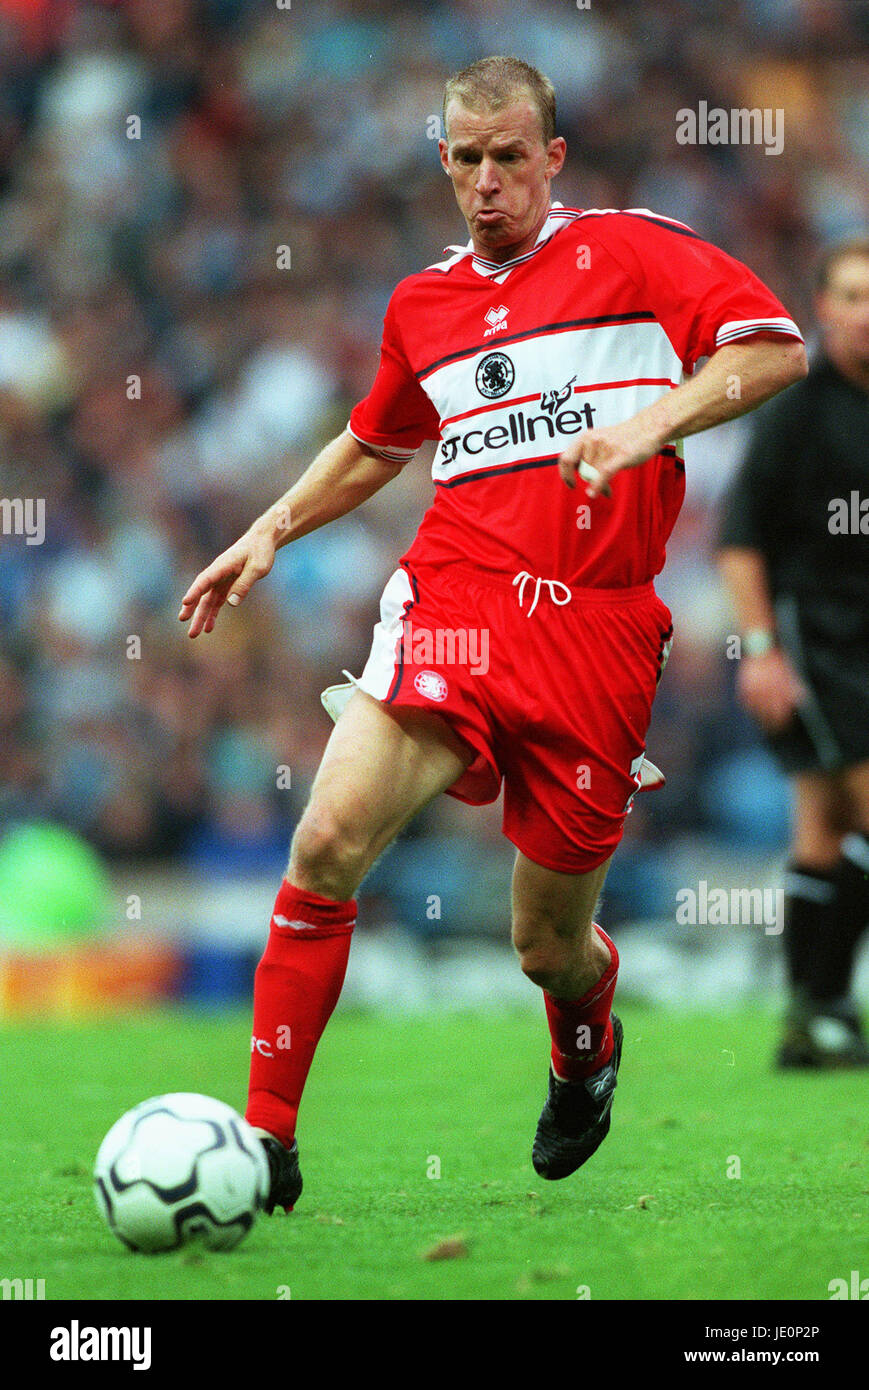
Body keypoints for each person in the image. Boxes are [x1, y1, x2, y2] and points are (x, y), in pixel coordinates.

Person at [179, 56, 807, 1213]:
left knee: (545, 946)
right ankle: (263, 1140)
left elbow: (770, 348)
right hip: (453, 603)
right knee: (324, 844)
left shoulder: (629, 250)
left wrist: (644, 428)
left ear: (550, 158)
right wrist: (269, 527)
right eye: (464, 160)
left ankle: (584, 1039)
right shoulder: (422, 303)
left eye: (508, 157)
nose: (485, 182)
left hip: (598, 636)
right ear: (442, 165)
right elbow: (379, 439)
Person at [718, 237, 869, 1068]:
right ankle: (821, 1010)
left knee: (823, 827)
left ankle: (815, 1016)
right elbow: (739, 540)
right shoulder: (798, 413)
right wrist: (762, 649)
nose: (864, 313)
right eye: (849, 296)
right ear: (821, 308)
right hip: (818, 644)